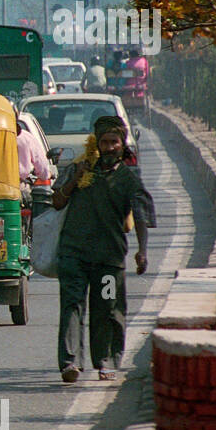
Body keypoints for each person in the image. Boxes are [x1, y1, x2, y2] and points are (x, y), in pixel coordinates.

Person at [49, 114, 156, 383]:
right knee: (72, 305)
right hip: (73, 255)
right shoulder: (78, 168)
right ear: (96, 143)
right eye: (105, 142)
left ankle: (106, 360)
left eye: (114, 142)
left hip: (108, 261)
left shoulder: (129, 178)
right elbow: (57, 201)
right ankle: (70, 362)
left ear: (122, 144)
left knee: (107, 307)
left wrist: (142, 251)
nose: (109, 147)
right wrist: (76, 179)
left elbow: (141, 215)